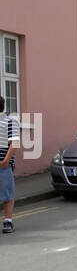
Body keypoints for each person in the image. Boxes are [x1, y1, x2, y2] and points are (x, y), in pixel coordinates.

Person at [0, 95, 20, 234]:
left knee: (7, 193)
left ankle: (8, 221)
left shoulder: (10, 122)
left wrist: (6, 161)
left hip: (3, 165)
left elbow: (14, 143)